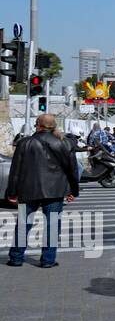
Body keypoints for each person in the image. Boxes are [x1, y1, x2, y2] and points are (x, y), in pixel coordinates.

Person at [6, 114, 79, 268]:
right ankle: (48, 260)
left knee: (23, 225)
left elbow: (15, 171)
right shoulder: (64, 143)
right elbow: (72, 170)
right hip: (55, 191)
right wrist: (73, 190)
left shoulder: (24, 143)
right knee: (52, 226)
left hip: (28, 190)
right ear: (53, 125)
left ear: (37, 124)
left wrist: (12, 192)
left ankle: (16, 258)